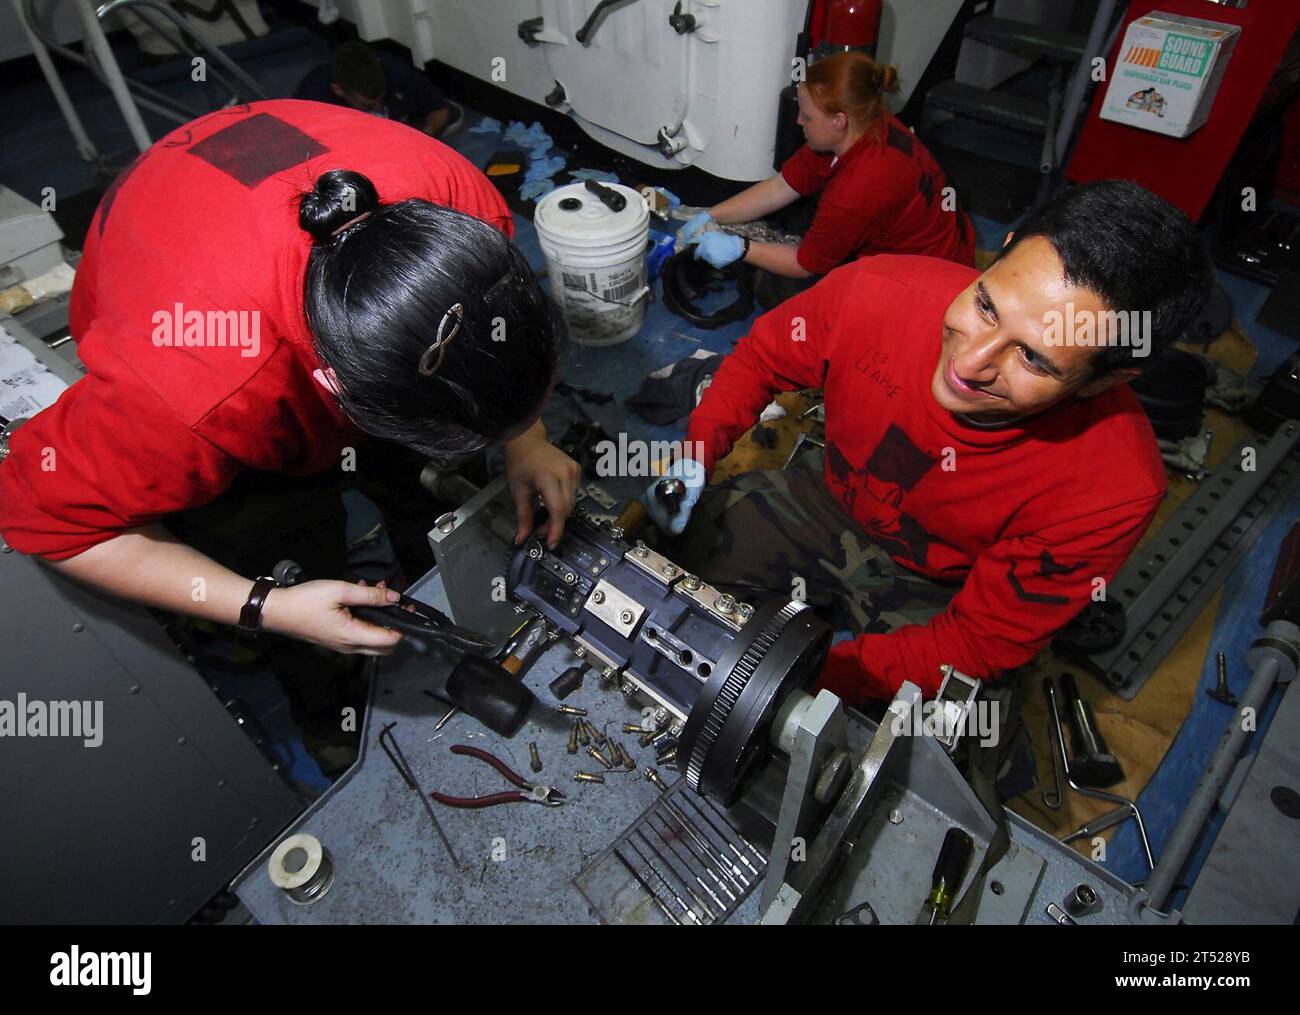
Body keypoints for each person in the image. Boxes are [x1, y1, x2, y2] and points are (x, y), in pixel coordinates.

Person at [0, 99, 579, 660]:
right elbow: (43, 516)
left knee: (422, 489)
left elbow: (479, 351)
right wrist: (265, 607)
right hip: (168, 257)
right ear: (332, 391)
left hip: (248, 203)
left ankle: (421, 578)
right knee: (289, 550)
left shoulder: (464, 208)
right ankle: (329, 709)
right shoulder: (189, 397)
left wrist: (528, 439)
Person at [644, 180, 1213, 708]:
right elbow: (763, 356)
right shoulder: (877, 290)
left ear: (1108, 380)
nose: (968, 363)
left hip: (943, 587)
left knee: (937, 740)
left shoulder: (1114, 488)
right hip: (826, 498)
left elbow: (976, 643)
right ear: (1004, 250)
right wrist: (698, 450)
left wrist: (800, 683)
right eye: (986, 306)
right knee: (653, 573)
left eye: (1033, 357)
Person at [677, 51, 974, 309]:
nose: (798, 121)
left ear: (838, 121)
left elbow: (804, 264)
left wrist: (740, 249)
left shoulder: (859, 187)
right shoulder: (865, 122)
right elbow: (779, 188)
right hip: (945, 242)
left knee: (785, 296)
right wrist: (709, 214)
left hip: (928, 285)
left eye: (806, 116)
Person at [294, 40, 463, 140]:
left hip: (402, 133)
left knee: (447, 117)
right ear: (338, 90)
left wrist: (425, 138)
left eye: (381, 99)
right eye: (367, 105)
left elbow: (438, 109)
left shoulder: (394, 71)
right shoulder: (313, 98)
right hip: (346, 147)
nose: (377, 107)